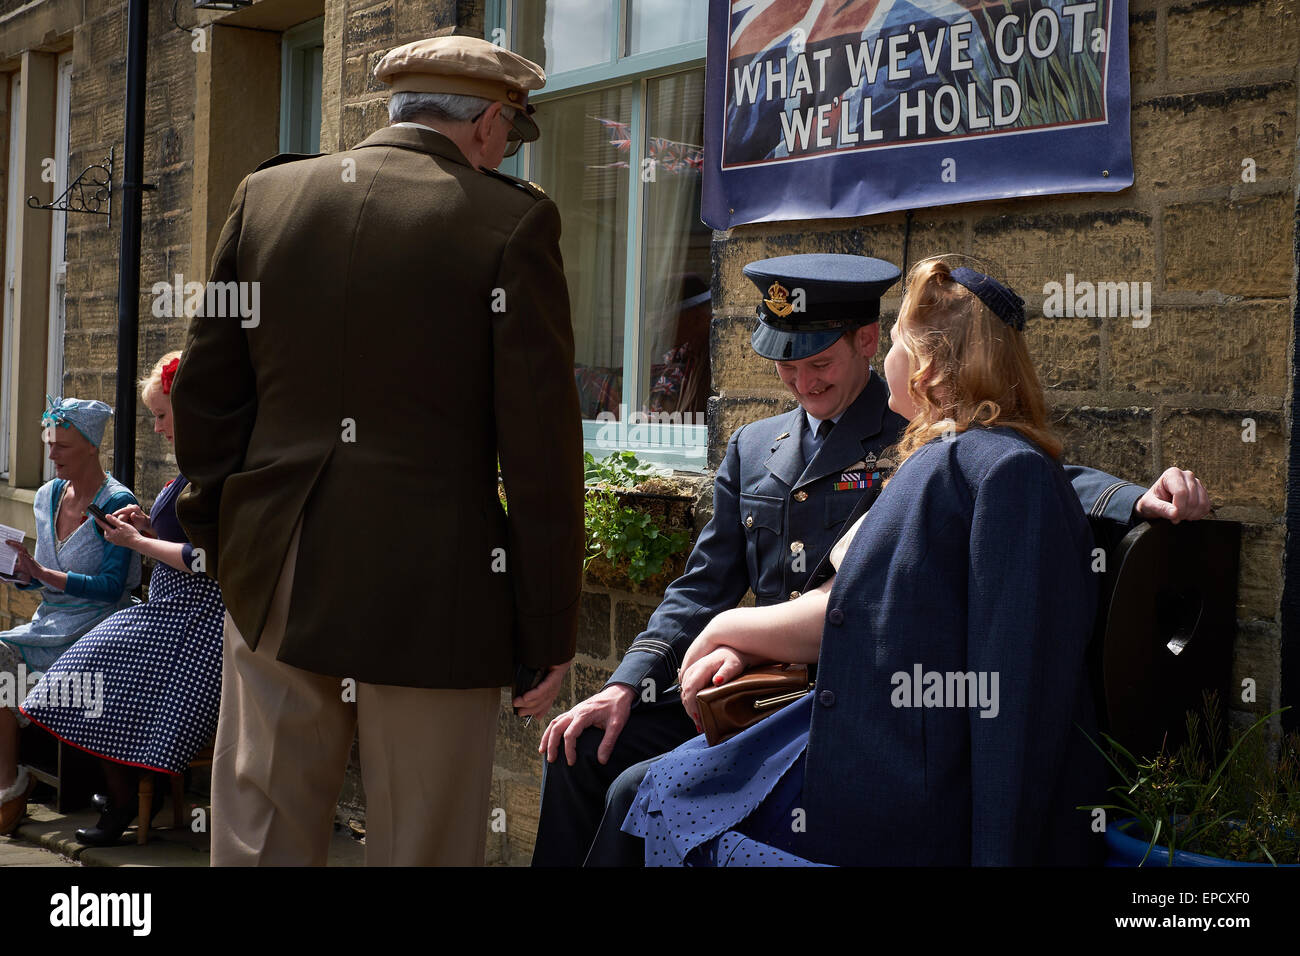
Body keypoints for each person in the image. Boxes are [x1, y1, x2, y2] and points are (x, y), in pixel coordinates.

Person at [532, 253, 1212, 866]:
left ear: (870, 345)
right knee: (584, 753)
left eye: (818, 363)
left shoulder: (921, 435)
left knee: (636, 798)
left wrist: (1133, 498)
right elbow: (703, 584)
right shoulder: (754, 445)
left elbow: (1021, 476)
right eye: (786, 364)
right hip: (753, 682)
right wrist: (628, 683)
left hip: (848, 699)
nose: (800, 381)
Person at [169, 35, 585, 866]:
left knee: (260, 834)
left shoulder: (268, 195)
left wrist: (225, 539)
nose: (504, 148)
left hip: (277, 568)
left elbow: (207, 395)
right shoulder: (511, 221)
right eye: (509, 131)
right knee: (423, 840)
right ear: (488, 123)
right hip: (435, 584)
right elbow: (540, 454)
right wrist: (546, 628)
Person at [19, 353, 226, 846]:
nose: (155, 429)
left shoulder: (216, 475)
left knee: (95, 672)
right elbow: (181, 540)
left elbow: (207, 559)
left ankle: (121, 802)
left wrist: (135, 542)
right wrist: (150, 527)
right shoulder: (190, 470)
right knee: (88, 675)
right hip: (165, 610)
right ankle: (118, 795)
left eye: (160, 414)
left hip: (194, 622)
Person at [0, 398, 141, 835]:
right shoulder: (47, 495)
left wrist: (44, 574)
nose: (51, 454)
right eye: (48, 444)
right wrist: (23, 573)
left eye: (61, 446)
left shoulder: (116, 501)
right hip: (50, 621)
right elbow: (41, 575)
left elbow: (113, 587)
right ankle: (10, 782)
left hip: (99, 627)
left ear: (90, 446)